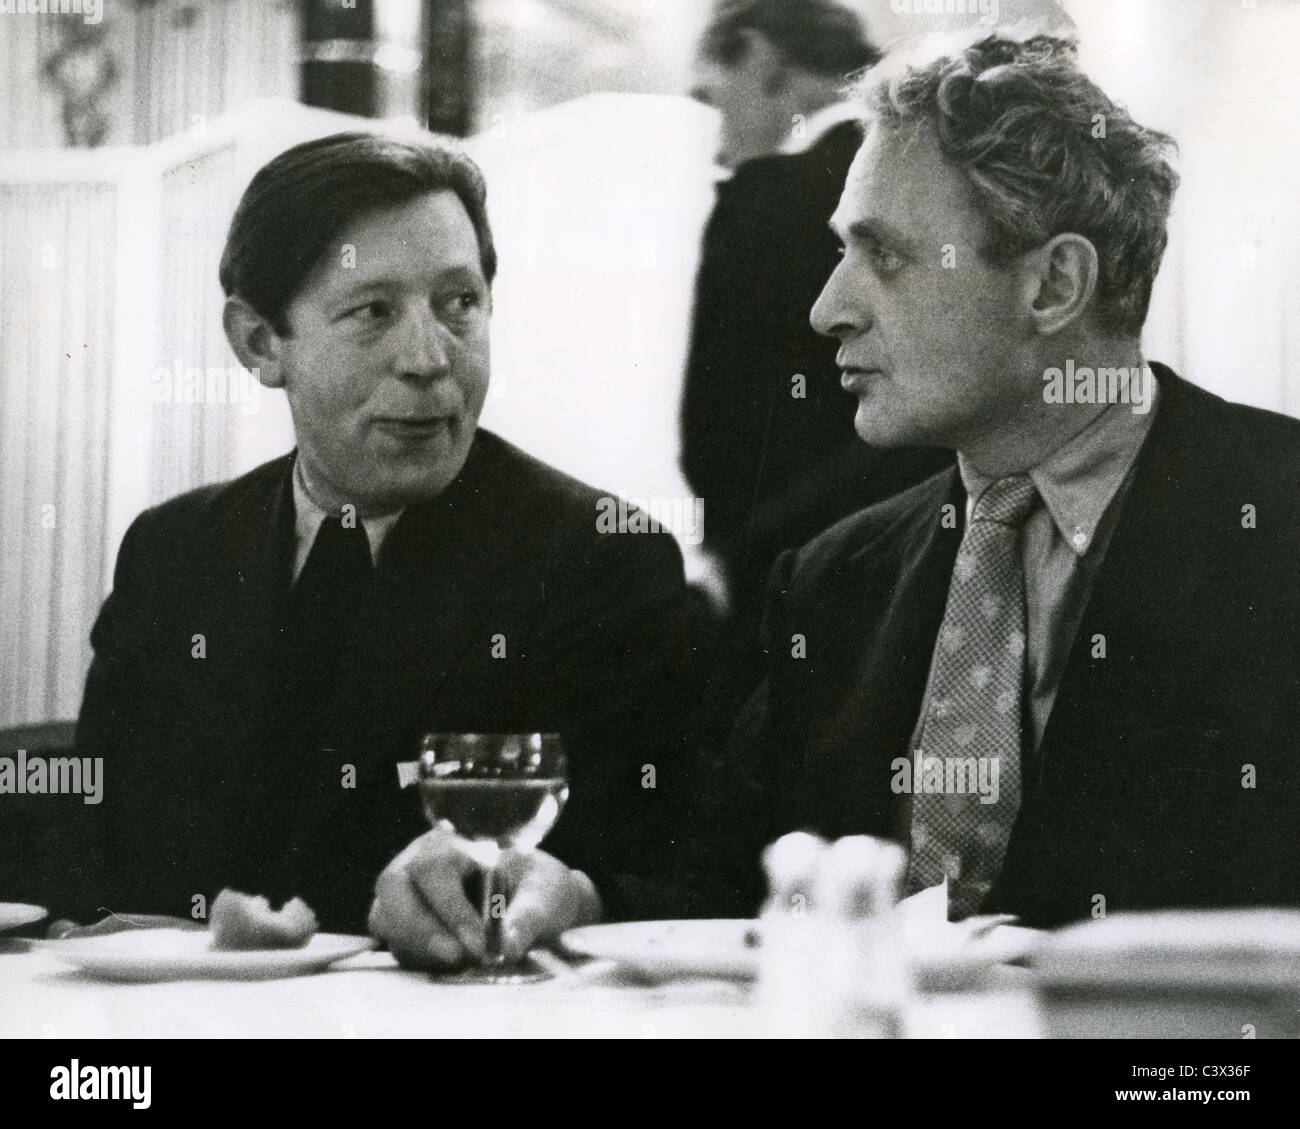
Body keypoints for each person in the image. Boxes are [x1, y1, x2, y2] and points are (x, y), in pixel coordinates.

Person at [683, 33, 1300, 927]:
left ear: (1054, 285)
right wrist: (568, 893)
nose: (829, 309)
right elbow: (717, 893)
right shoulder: (831, 580)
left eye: (884, 256)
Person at [68, 133, 695, 964]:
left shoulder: (598, 561)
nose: (431, 359)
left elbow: (653, 883)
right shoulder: (172, 553)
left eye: (458, 303)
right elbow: (93, 856)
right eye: (374, 312)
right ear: (260, 343)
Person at [681, 0, 951, 731]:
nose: (716, 143)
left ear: (765, 62)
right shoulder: (941, 184)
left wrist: (735, 556)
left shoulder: (763, 204)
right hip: (943, 577)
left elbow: (717, 435)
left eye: (713, 99)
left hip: (787, 586)